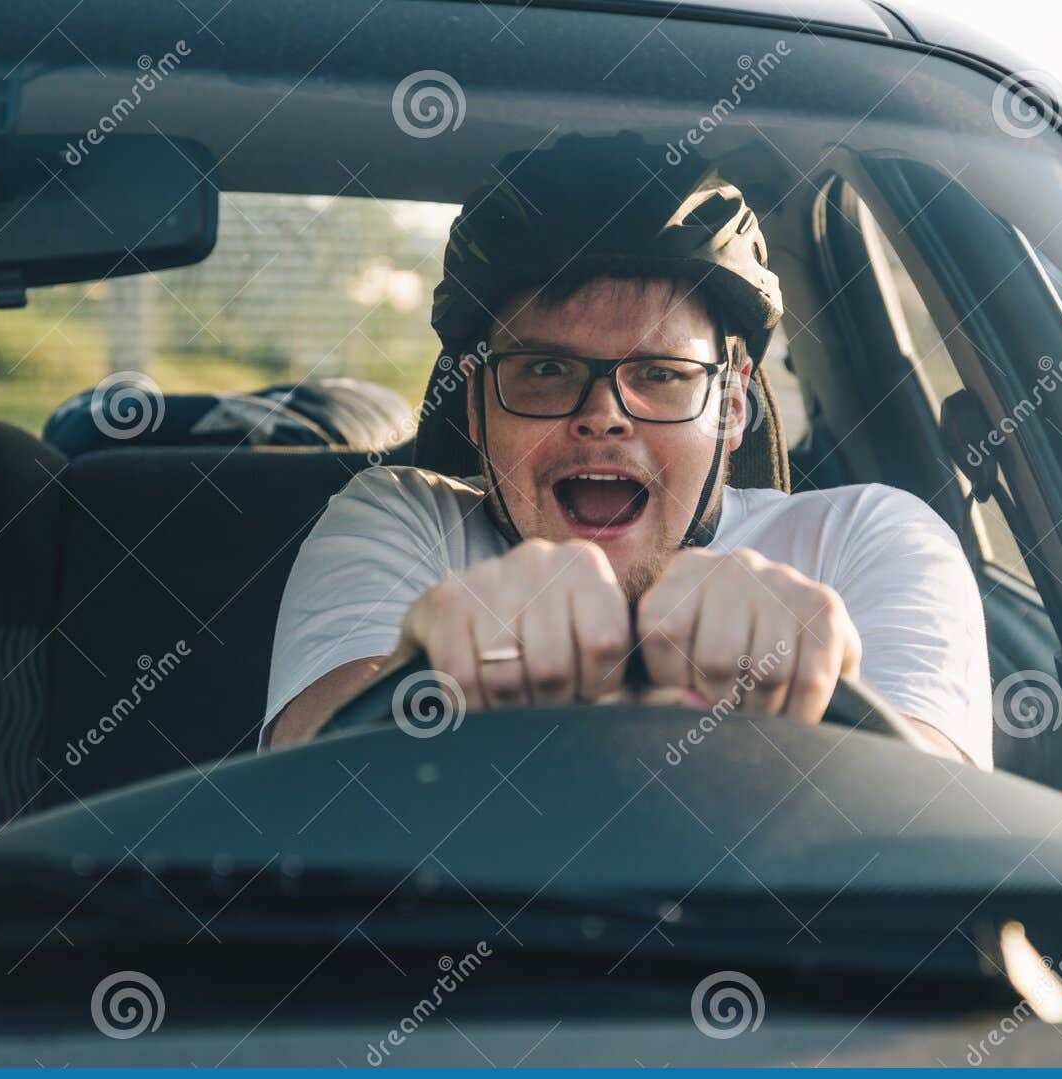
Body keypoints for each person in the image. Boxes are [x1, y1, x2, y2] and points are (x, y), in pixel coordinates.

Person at [263, 131, 992, 765]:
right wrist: (424, 677)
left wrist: (807, 693)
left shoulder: (868, 540)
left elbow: (951, 835)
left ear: (733, 404)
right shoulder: (401, 519)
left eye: (661, 375)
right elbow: (299, 786)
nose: (603, 417)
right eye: (546, 370)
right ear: (477, 410)